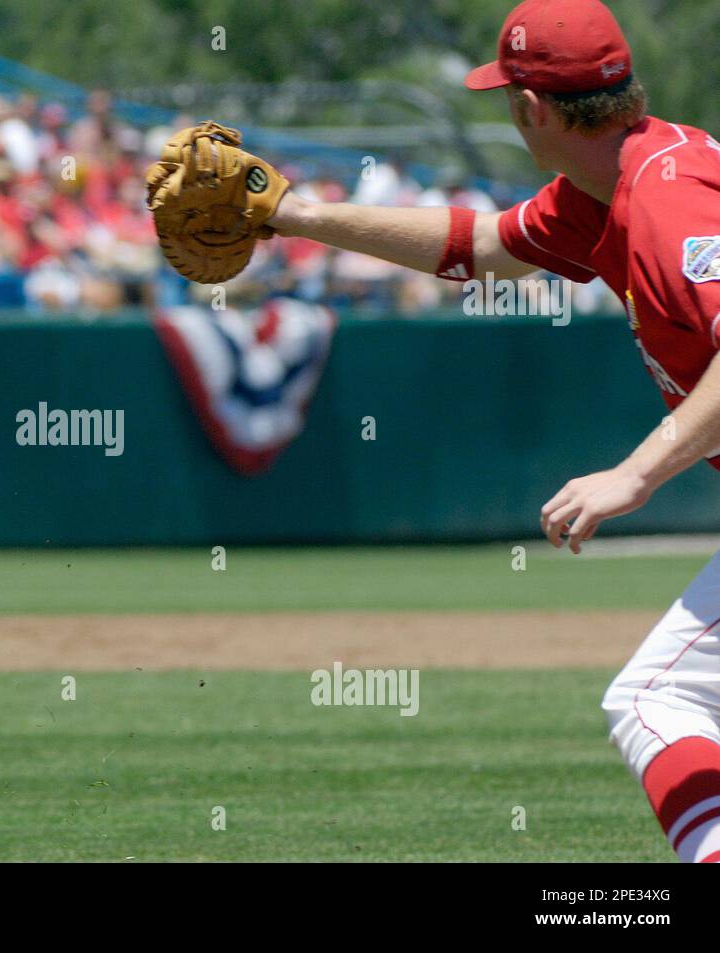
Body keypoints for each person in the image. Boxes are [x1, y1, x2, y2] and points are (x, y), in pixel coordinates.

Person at [266, 0, 720, 862]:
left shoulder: (666, 197)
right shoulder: (612, 186)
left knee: (654, 701)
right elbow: (479, 245)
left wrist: (637, 472)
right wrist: (294, 216)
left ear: (531, 110)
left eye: (508, 94)